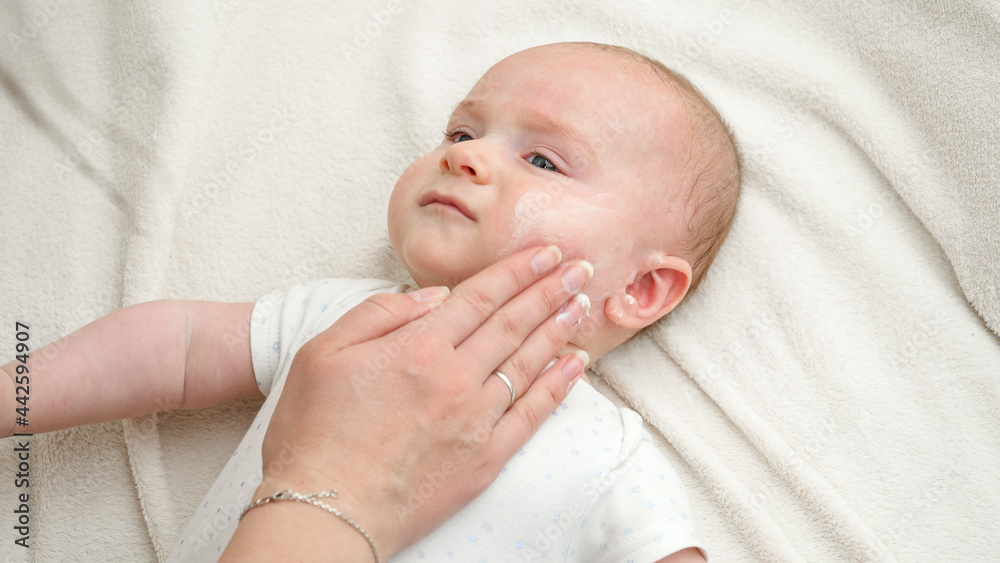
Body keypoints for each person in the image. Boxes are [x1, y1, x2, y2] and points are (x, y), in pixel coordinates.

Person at [2, 41, 739, 561]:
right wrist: (17, 392)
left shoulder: (607, 453)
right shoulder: (348, 321)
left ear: (640, 289)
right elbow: (183, 346)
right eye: (462, 131)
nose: (464, 154)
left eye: (542, 159)